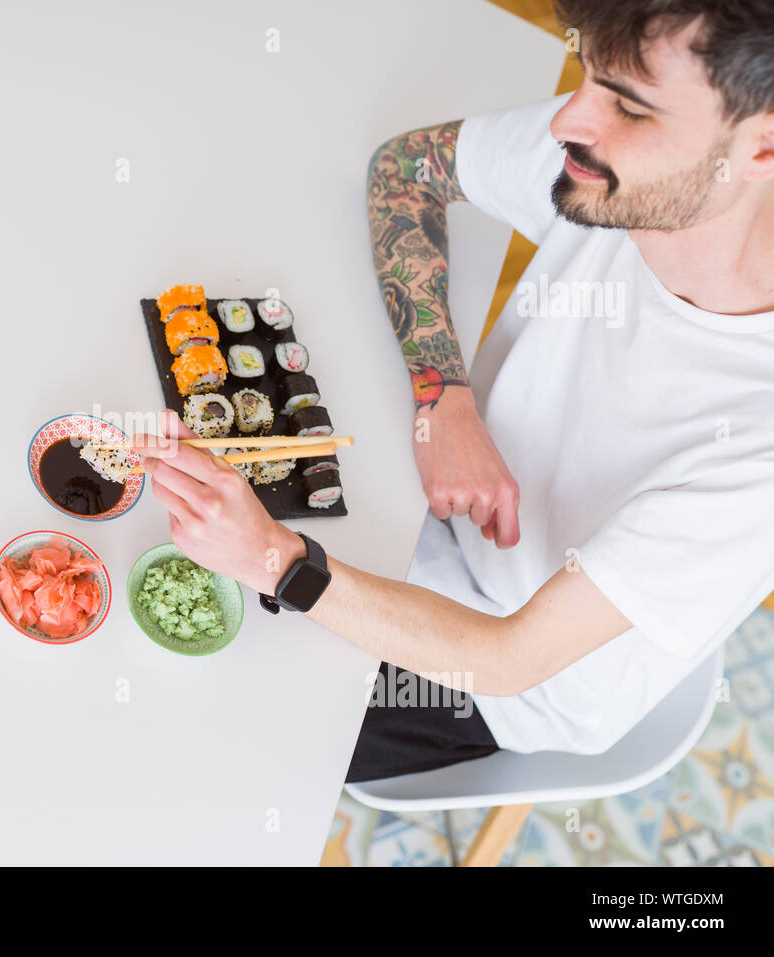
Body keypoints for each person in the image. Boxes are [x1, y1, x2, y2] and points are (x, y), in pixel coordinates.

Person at [131, 0, 774, 781]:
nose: (567, 120)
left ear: (762, 146)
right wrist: (443, 395)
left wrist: (275, 560)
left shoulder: (757, 461)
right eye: (591, 80)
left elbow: (509, 658)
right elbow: (406, 169)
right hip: (428, 509)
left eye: (628, 106)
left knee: (194, 741)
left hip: (495, 675)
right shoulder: (624, 153)